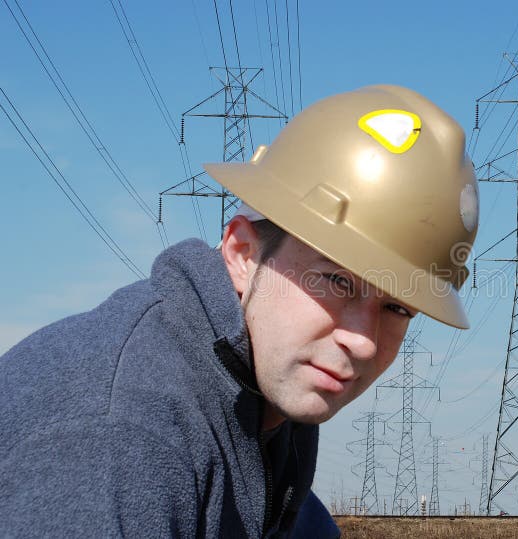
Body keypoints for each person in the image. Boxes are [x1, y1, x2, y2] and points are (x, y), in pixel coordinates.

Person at [0, 84, 478, 537]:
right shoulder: (117, 441)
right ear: (243, 255)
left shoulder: (261, 399)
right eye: (336, 281)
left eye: (397, 307)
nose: (364, 340)